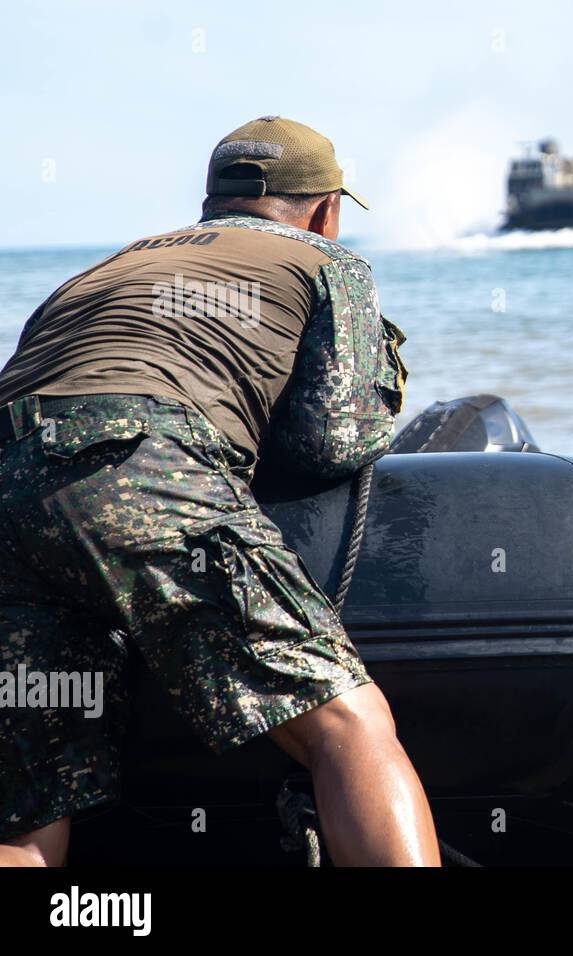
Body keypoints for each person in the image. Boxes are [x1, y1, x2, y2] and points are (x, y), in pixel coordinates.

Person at [0, 116, 440, 866]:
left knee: (32, 795)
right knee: (347, 727)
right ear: (327, 210)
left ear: (212, 205)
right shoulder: (324, 259)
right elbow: (334, 438)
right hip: (132, 461)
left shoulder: (109, 266)